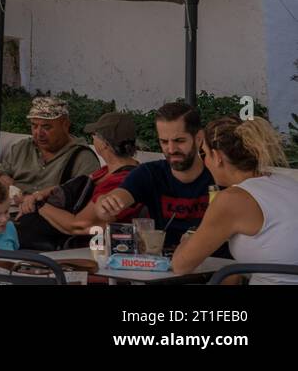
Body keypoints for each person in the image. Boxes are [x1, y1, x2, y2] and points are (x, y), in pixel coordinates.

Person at [172, 117, 298, 283]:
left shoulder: (232, 199)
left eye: (203, 153)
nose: (204, 161)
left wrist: (187, 240)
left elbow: (181, 265)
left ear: (217, 157)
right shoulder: (288, 184)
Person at [79, 102, 217, 250]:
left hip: (217, 267)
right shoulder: (150, 173)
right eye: (164, 142)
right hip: (162, 266)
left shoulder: (218, 176)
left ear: (198, 138)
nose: (171, 149)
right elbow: (120, 196)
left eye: (179, 141)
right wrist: (105, 203)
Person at [18, 111, 143, 232]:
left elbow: (79, 225)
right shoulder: (106, 171)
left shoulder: (122, 181)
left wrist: (40, 205)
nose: (92, 138)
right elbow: (74, 187)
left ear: (105, 144)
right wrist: (37, 195)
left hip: (81, 247)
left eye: (94, 134)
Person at [0, 96, 98, 194]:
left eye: (46, 127)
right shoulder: (23, 147)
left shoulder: (82, 158)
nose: (39, 133)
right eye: (34, 126)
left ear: (65, 125)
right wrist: (0, 177)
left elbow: (84, 200)